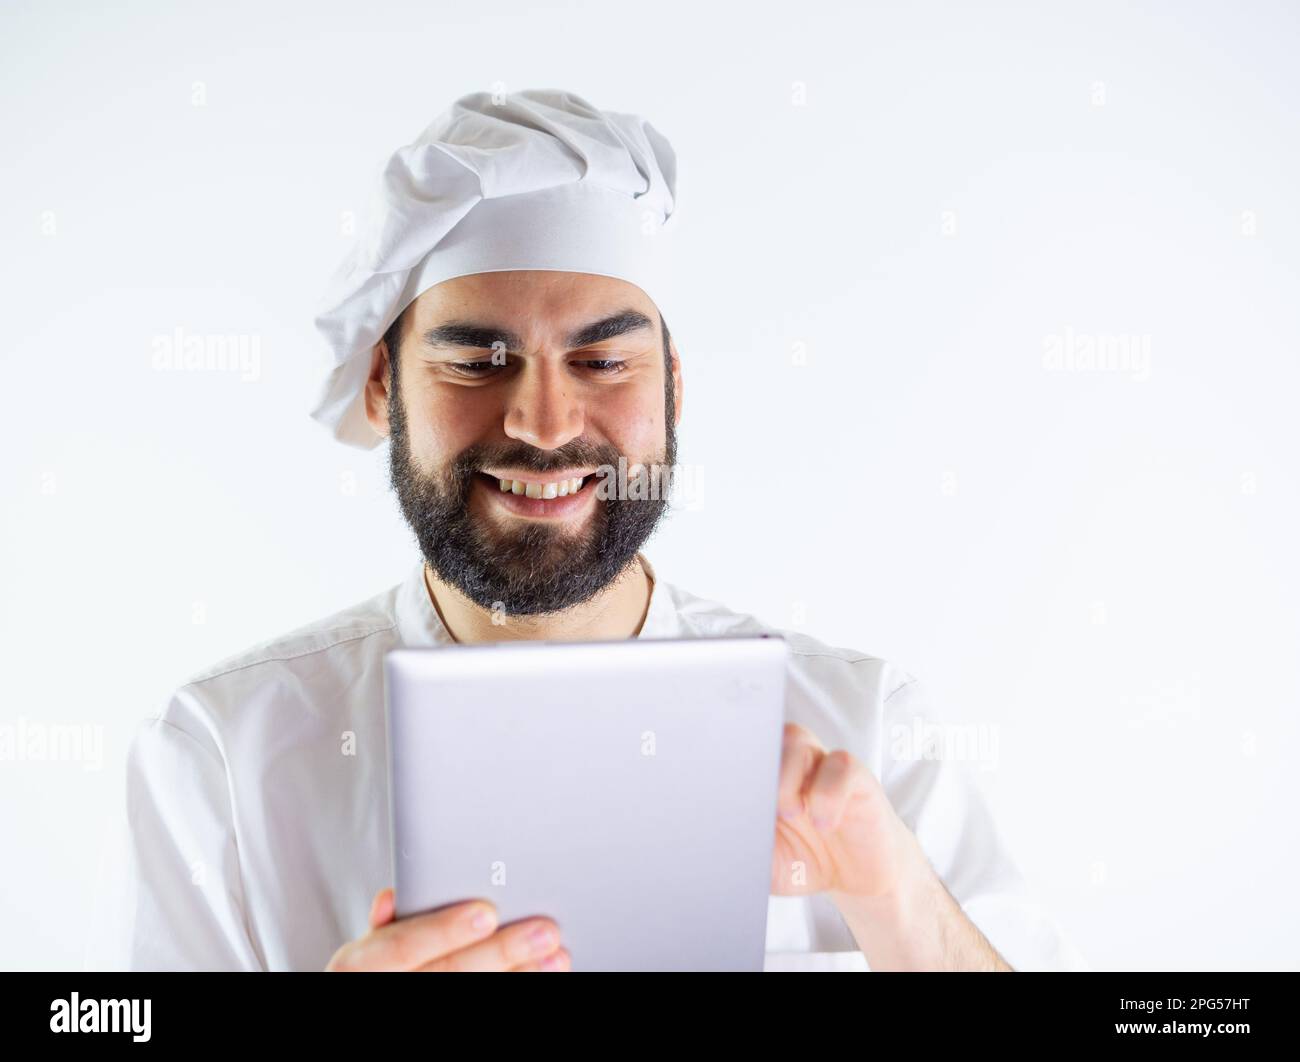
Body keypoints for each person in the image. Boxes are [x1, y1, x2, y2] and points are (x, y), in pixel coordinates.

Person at [84, 88, 1086, 972]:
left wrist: (896, 902)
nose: (545, 424)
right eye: (476, 361)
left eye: (603, 363)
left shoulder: (865, 730)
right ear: (385, 387)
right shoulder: (218, 758)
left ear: (673, 386)